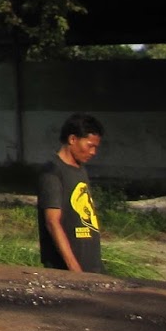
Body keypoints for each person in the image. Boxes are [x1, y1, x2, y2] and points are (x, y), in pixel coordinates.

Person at [38, 113, 104, 273]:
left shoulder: (80, 170)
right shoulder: (52, 172)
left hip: (92, 267)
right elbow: (52, 222)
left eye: (96, 147)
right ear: (72, 139)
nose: (93, 152)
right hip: (68, 270)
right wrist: (74, 268)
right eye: (90, 146)